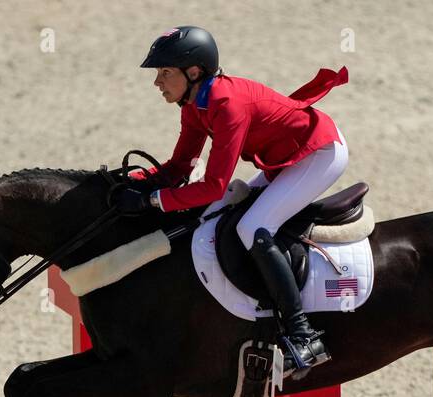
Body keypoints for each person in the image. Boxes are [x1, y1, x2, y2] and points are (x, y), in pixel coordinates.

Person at [117, 26, 349, 377]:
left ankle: (304, 337)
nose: (157, 82)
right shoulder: (194, 104)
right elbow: (180, 167)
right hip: (284, 158)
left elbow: (212, 184)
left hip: (318, 153)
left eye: (165, 73)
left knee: (253, 226)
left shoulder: (226, 105)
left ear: (193, 72)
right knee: (218, 213)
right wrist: (131, 183)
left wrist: (153, 202)